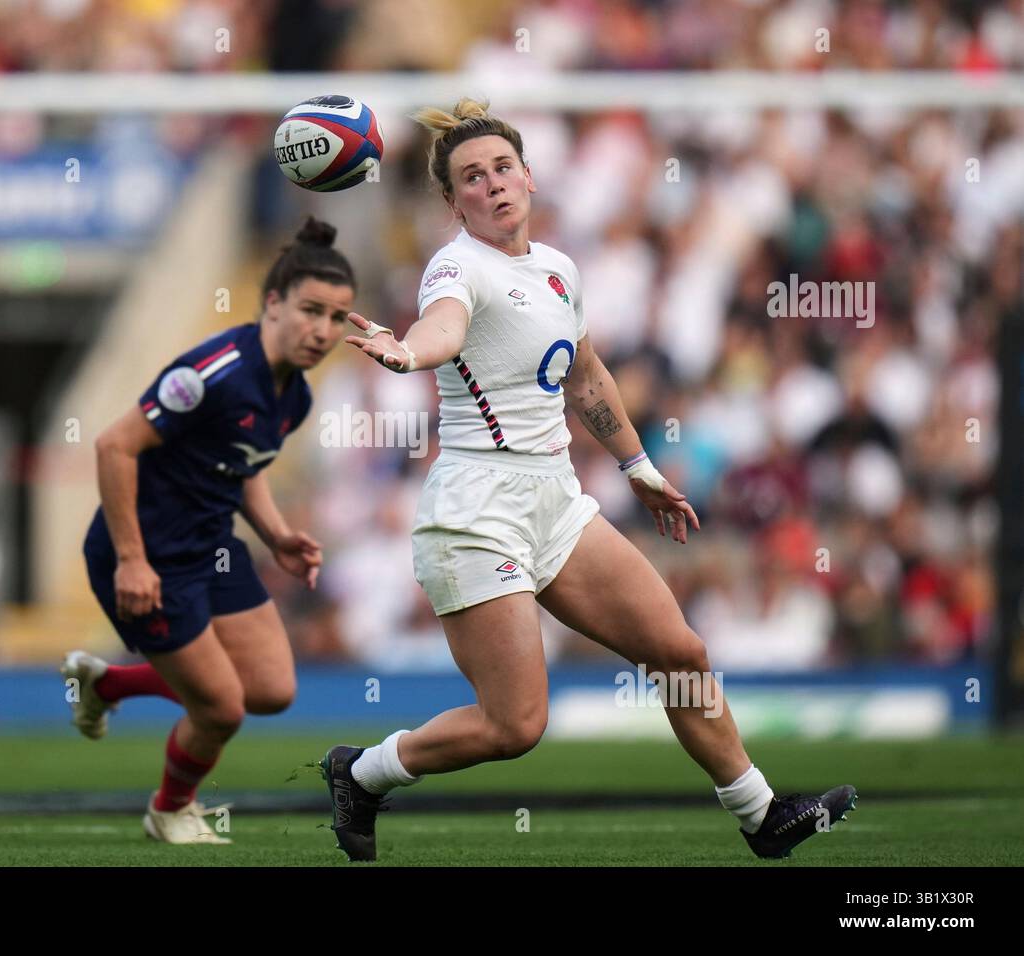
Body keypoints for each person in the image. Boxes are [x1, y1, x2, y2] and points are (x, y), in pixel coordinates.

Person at [320, 99, 856, 862]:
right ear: (453, 201)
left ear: (530, 176)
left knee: (680, 654)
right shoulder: (456, 265)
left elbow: (588, 375)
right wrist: (408, 352)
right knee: (517, 726)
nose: (493, 184)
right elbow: (438, 328)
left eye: (504, 167)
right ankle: (362, 772)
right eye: (472, 178)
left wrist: (638, 467)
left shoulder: (557, 270)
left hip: (556, 500)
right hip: (476, 513)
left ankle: (760, 813)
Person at [63, 216, 354, 844]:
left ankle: (107, 682)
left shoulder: (294, 396)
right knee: (220, 707)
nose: (323, 331)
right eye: (311, 311)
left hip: (211, 548)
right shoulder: (212, 372)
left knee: (272, 690)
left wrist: (276, 534)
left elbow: (243, 466)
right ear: (272, 303)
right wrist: (132, 562)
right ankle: (169, 810)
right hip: (146, 552)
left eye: (337, 319)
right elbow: (115, 447)